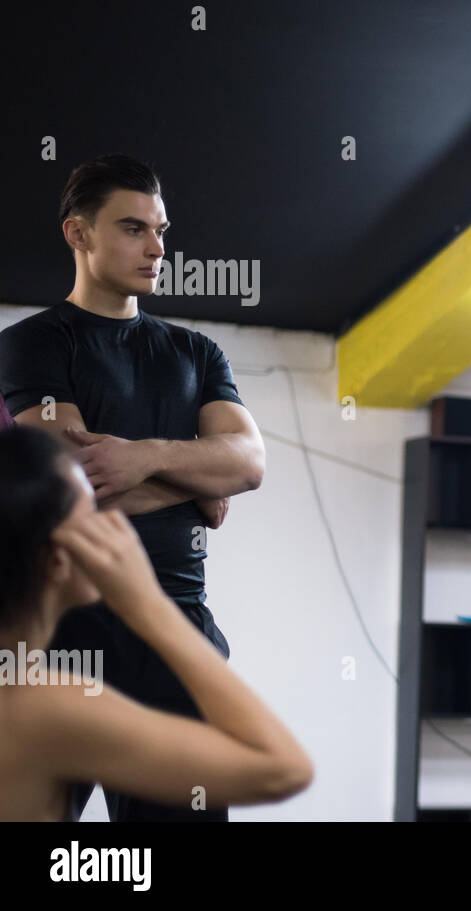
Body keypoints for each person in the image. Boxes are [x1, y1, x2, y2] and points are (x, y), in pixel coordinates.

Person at [0, 154, 266, 821]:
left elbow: (250, 462)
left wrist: (145, 456)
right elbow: (74, 484)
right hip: (65, 637)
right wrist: (198, 481)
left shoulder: (196, 353)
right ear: (78, 233)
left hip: (178, 633)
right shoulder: (32, 343)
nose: (157, 247)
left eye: (161, 229)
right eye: (133, 228)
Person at [0, 426, 312, 821]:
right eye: (93, 515)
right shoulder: (43, 707)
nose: (114, 528)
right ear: (59, 559)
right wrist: (148, 604)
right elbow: (283, 768)